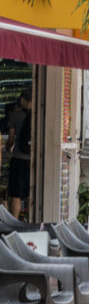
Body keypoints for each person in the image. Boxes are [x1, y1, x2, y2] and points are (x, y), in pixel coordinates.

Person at [4, 91, 31, 219]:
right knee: (30, 193)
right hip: (33, 161)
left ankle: (14, 224)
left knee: (16, 193)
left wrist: (8, 148)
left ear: (23, 100)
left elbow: (11, 138)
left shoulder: (16, 115)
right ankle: (32, 222)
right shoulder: (39, 114)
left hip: (19, 159)